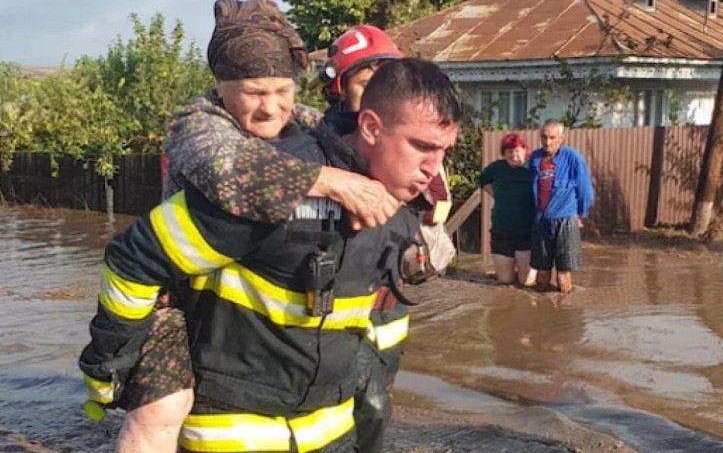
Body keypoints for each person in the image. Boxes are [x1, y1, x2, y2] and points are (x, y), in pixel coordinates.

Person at [79, 56, 463, 453]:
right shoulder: (272, 182)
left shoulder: (403, 200)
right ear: (369, 126)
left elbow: (378, 319)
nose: (433, 170)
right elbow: (134, 259)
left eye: (443, 151)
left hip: (331, 430)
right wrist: (109, 364)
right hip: (235, 432)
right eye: (421, 147)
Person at [318, 25, 454, 453]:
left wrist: (429, 250)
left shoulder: (419, 156)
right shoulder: (324, 151)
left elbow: (434, 212)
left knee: (377, 405)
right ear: (340, 89)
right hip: (336, 317)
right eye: (365, 81)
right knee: (358, 411)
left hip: (388, 316)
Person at [528, 120, 593, 294]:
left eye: (552, 137)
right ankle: (541, 313)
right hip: (541, 220)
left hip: (565, 220)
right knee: (541, 273)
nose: (547, 142)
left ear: (561, 138)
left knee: (563, 275)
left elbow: (585, 190)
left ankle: (565, 314)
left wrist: (581, 214)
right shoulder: (534, 158)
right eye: (544, 137)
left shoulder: (573, 158)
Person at [477, 133, 536, 286]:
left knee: (527, 282)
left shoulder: (533, 168)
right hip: (502, 231)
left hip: (528, 232)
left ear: (524, 150)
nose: (513, 155)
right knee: (505, 281)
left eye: (517, 150)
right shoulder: (496, 168)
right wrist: (497, 195)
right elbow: (482, 180)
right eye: (509, 151)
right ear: (504, 153)